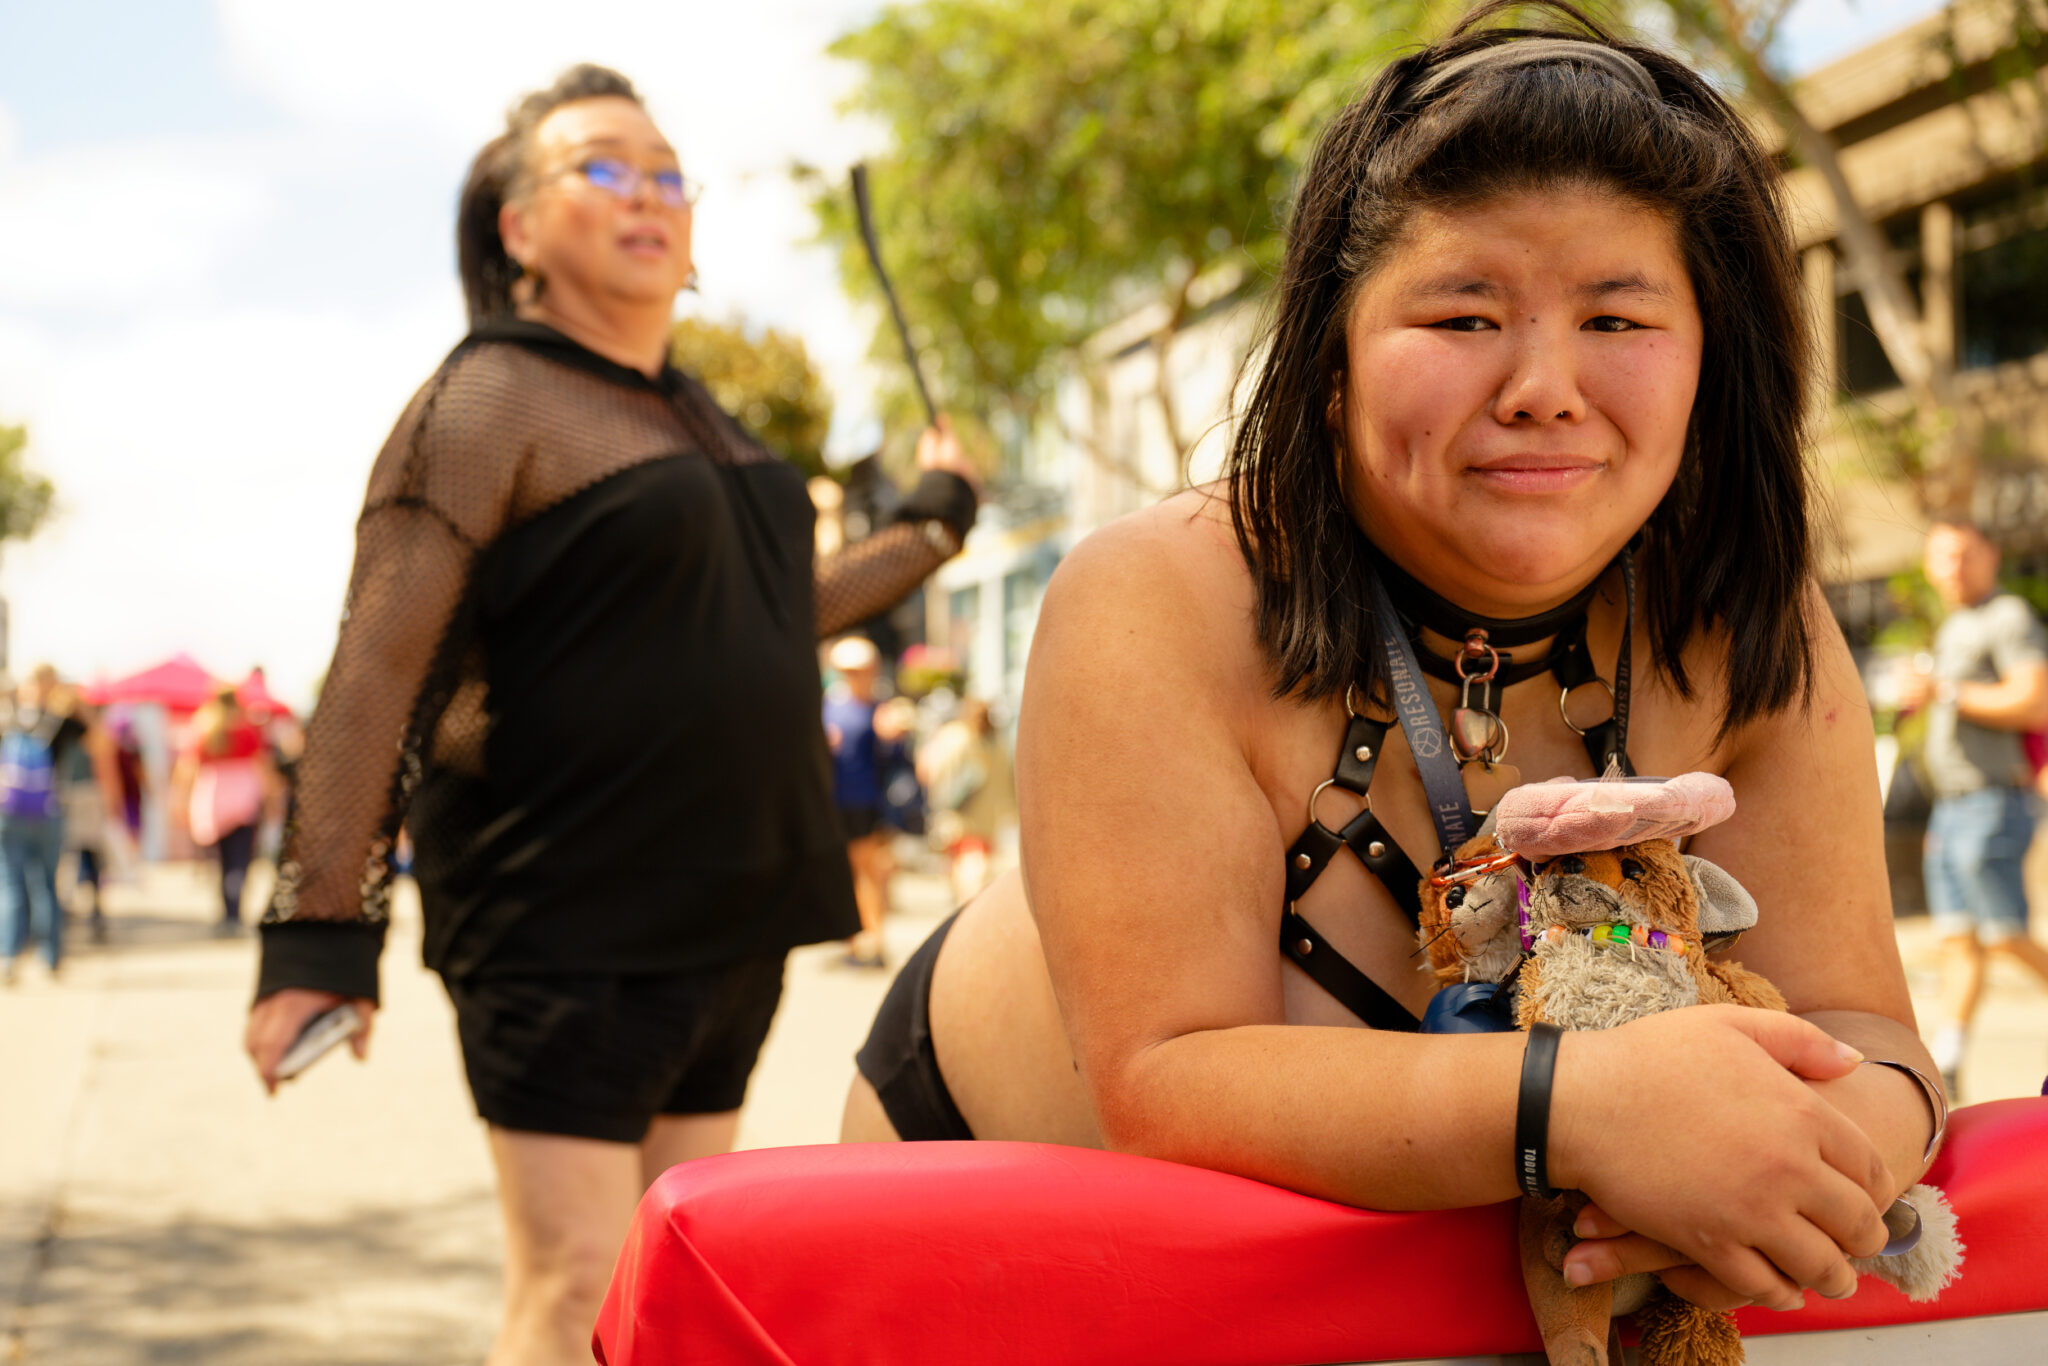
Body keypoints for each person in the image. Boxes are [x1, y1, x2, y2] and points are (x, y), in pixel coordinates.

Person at [847, 2, 1943, 1322]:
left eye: (1617, 318)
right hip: (997, 1242)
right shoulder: (1156, 593)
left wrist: (1837, 1157)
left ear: (1715, 364)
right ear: (1331, 361)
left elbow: (1871, 1032)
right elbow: (1165, 1078)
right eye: (1465, 315)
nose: (1544, 383)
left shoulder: (1760, 619)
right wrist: (1582, 1108)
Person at [240, 65, 977, 1366]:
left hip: (731, 906)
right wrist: (318, 932)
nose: (647, 194)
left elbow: (773, 609)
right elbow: (377, 663)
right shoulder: (492, 396)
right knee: (578, 1273)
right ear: (519, 228)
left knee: (670, 1277)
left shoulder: (701, 420)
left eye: (666, 171)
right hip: (564, 910)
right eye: (602, 166)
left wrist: (930, 519)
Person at [1896, 520, 2048, 1098]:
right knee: (1959, 938)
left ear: (1992, 555)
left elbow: (2034, 700)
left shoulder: (2006, 617)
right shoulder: (1956, 625)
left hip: (1994, 801)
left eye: (1964, 554)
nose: (1952, 568)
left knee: (2003, 933)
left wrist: (1948, 692)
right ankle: (1949, 1059)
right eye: (1940, 557)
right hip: (1954, 808)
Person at [1, 665, 87, 983]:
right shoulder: (59, 722)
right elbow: (91, 730)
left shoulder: (7, 719)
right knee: (47, 885)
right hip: (48, 812)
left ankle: (9, 956)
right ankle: (49, 957)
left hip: (9, 814)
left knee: (10, 885)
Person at [171, 688, 280, 934]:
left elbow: (185, 771)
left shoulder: (203, 730)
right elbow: (263, 768)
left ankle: (227, 912)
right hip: (243, 802)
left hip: (214, 801)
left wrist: (180, 803)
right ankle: (235, 911)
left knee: (221, 862)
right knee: (239, 860)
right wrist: (273, 800)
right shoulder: (247, 730)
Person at [823, 635, 902, 968]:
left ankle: (872, 941)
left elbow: (896, 763)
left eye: (860, 669)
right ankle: (855, 941)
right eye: (849, 670)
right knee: (845, 875)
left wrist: (893, 739)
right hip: (833, 804)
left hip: (865, 804)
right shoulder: (831, 705)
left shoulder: (880, 709)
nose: (855, 676)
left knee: (868, 873)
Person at [916, 696, 1013, 905]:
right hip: (984, 818)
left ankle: (966, 908)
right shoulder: (996, 744)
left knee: (964, 864)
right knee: (973, 864)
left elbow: (930, 771)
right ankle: (968, 907)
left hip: (958, 816)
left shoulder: (954, 736)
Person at [58, 698, 127, 944]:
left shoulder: (62, 733)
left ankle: (78, 908)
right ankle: (92, 910)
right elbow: (106, 770)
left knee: (77, 857)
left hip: (70, 799)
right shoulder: (89, 734)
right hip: (85, 800)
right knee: (88, 857)